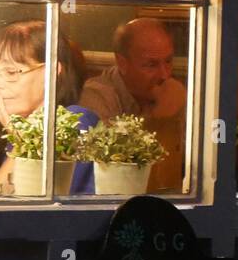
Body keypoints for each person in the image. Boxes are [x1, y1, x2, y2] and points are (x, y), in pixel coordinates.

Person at [0, 20, 97, 195]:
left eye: (11, 72)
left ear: (51, 73)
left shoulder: (76, 121)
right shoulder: (25, 131)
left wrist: (20, 144)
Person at [80, 17, 186, 192]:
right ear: (122, 63)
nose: (164, 75)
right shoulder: (96, 96)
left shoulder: (174, 92)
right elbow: (113, 173)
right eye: (151, 64)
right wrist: (157, 119)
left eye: (168, 61)